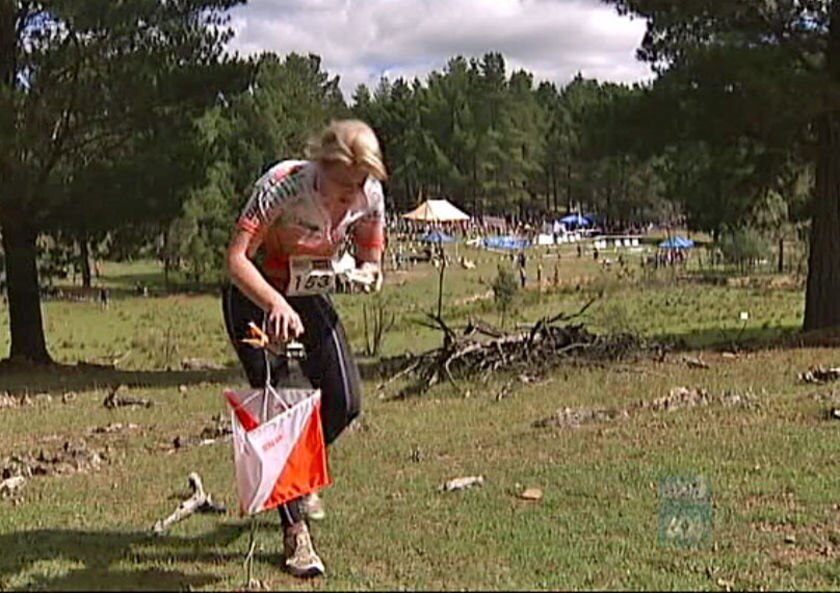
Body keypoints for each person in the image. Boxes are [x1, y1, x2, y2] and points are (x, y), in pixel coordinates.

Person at [222, 119, 387, 578]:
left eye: (354, 189)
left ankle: (299, 475)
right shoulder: (282, 185)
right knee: (288, 410)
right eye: (336, 189)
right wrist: (274, 303)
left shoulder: (369, 195)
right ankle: (296, 536)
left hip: (310, 290)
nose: (343, 202)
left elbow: (373, 261)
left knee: (346, 401)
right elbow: (236, 259)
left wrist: (363, 274)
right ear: (318, 165)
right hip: (256, 295)